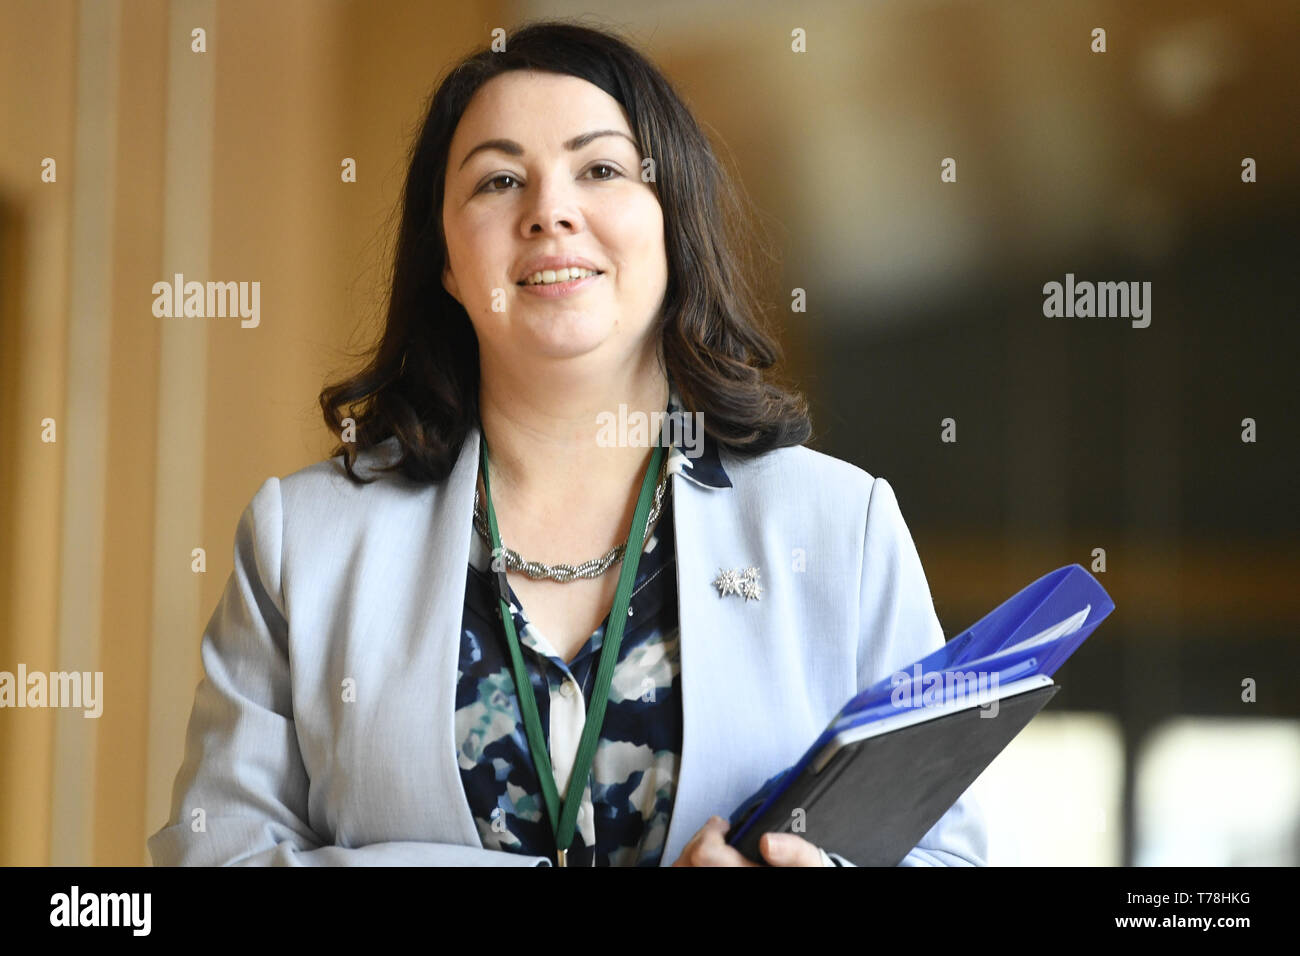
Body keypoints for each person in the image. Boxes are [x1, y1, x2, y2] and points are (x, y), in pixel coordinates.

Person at [147, 20, 988, 867]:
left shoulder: (839, 525)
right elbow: (214, 853)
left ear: (673, 222)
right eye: (499, 180)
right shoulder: (306, 537)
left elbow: (948, 853)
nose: (550, 211)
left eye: (601, 169)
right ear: (444, 257)